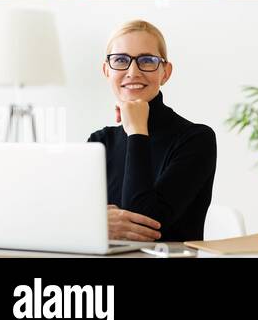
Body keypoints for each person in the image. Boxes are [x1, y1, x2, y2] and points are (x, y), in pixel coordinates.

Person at [89, 19, 217, 243]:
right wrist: (96, 221)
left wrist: (137, 131)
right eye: (120, 60)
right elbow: (71, 214)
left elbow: (143, 223)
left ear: (165, 73)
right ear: (106, 70)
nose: (132, 71)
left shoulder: (197, 139)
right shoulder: (100, 141)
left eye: (147, 61)